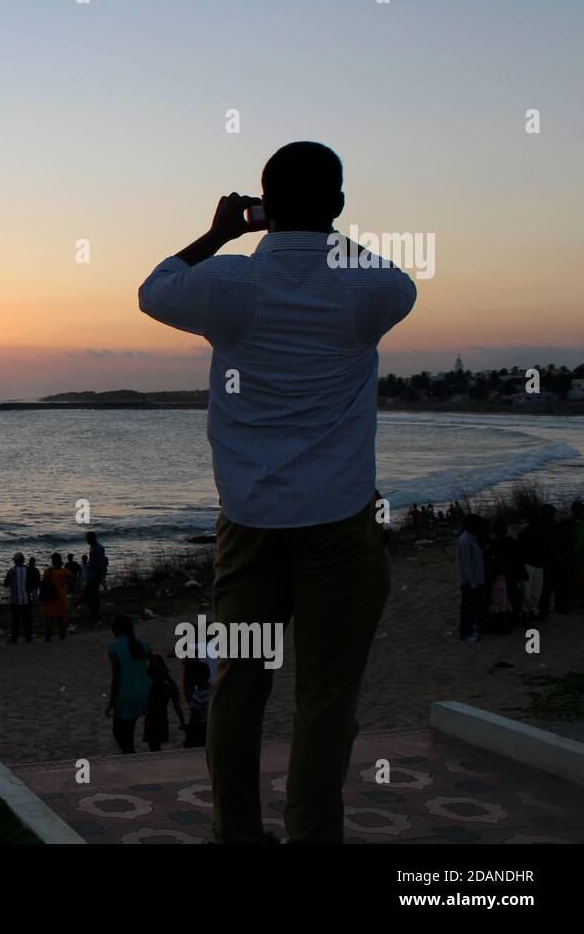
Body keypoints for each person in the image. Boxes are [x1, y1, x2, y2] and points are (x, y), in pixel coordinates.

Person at [138, 142, 416, 844]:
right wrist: (316, 232)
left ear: (263, 206)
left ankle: (237, 833)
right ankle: (311, 834)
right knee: (327, 696)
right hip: (339, 522)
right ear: (339, 205)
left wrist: (219, 234)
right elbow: (396, 279)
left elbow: (155, 287)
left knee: (240, 686)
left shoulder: (226, 285)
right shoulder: (373, 289)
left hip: (251, 524)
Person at [105, 615, 151, 753]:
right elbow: (155, 666)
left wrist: (111, 703)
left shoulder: (113, 647)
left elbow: (116, 677)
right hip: (143, 691)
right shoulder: (143, 644)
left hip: (125, 694)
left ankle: (130, 758)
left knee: (121, 733)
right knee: (128, 730)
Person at [146, 650, 185, 751]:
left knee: (153, 747)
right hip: (163, 718)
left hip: (151, 720)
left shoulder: (149, 688)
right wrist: (182, 721)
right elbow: (177, 706)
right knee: (157, 747)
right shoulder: (168, 687)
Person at [457, 515, 485, 642]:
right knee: (468, 607)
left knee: (471, 607)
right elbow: (467, 565)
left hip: (473, 580)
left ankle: (469, 630)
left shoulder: (471, 539)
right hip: (468, 581)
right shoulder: (465, 541)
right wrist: (473, 583)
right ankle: (465, 633)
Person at [39, 553, 72, 641]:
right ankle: (62, 635)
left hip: (50, 597)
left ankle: (48, 636)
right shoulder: (64, 571)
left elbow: (43, 583)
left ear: (52, 561)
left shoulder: (48, 572)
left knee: (49, 618)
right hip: (61, 596)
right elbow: (72, 577)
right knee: (61, 617)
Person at [4, 553, 32, 644]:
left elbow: (6, 583)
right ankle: (28, 637)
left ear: (15, 561)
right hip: (26, 598)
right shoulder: (28, 570)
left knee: (15, 620)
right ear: (23, 561)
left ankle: (14, 638)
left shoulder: (11, 570)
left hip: (15, 599)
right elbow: (31, 584)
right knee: (27, 619)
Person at [83, 531, 107, 622]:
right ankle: (93, 613)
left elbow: (101, 563)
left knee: (93, 595)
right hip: (91, 575)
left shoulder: (99, 548)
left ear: (92, 538)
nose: (86, 540)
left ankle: (94, 613)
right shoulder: (92, 547)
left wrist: (99, 575)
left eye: (87, 538)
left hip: (95, 576)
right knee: (91, 594)